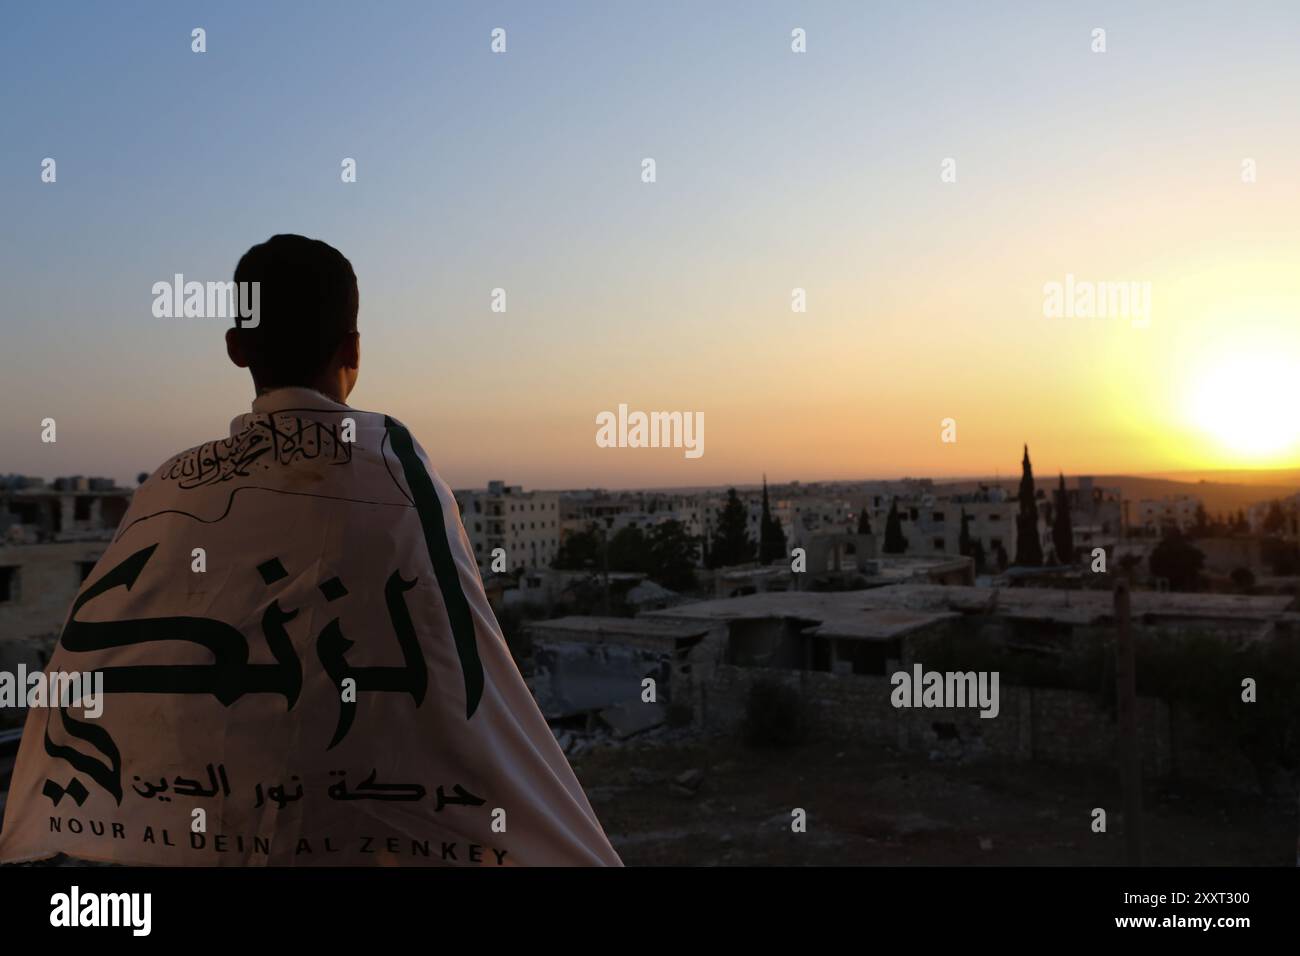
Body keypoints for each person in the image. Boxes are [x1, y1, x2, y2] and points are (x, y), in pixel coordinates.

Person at [0, 235, 621, 867]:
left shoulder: (167, 488)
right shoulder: (393, 470)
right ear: (353, 348)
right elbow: (455, 669)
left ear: (235, 347)